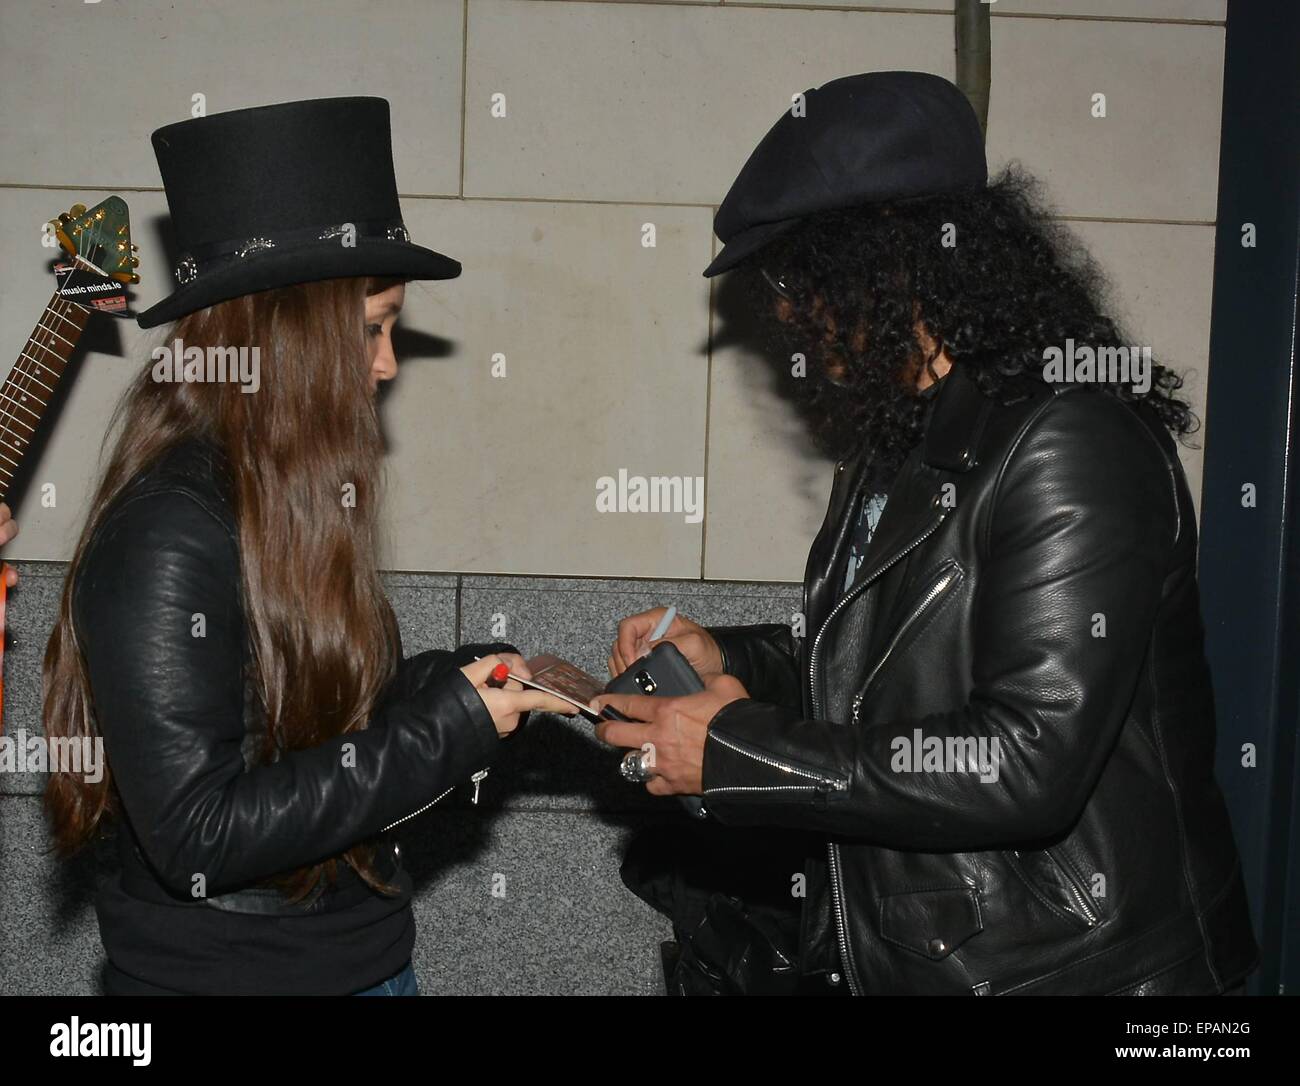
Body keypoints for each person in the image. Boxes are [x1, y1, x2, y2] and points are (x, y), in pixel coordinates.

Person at [595, 71, 1258, 996]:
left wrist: (738, 752)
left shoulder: (1072, 441)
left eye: (798, 273)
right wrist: (730, 657)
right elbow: (890, 665)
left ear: (889, 258)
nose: (784, 308)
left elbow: (1025, 760)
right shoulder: (903, 434)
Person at [41, 97, 576, 997]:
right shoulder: (167, 530)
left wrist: (467, 684)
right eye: (371, 328)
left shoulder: (284, 497)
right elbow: (196, 835)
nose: (388, 364)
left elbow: (320, 721)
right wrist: (447, 731)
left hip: (357, 968)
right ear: (292, 335)